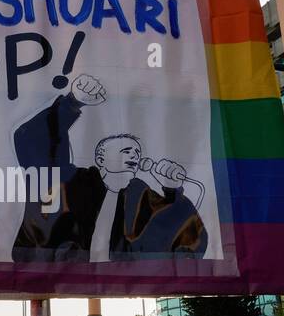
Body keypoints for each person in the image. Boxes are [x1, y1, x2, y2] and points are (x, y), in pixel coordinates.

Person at [11, 76, 207, 262]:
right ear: (100, 158)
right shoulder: (73, 183)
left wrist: (172, 191)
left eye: (137, 153)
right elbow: (33, 143)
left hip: (118, 280)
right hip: (57, 270)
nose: (134, 156)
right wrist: (71, 103)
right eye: (126, 150)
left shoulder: (143, 198)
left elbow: (188, 243)